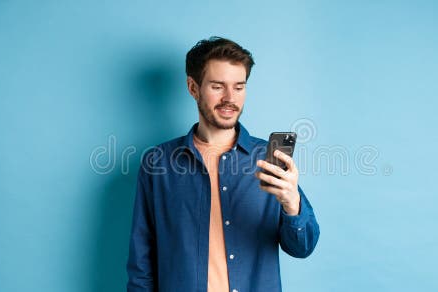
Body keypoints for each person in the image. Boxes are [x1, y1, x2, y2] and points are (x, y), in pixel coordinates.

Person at [126, 36, 320, 292]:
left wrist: (292, 205)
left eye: (239, 87)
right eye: (218, 86)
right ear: (193, 88)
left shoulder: (269, 158)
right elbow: (142, 260)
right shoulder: (158, 163)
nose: (230, 98)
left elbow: (302, 248)